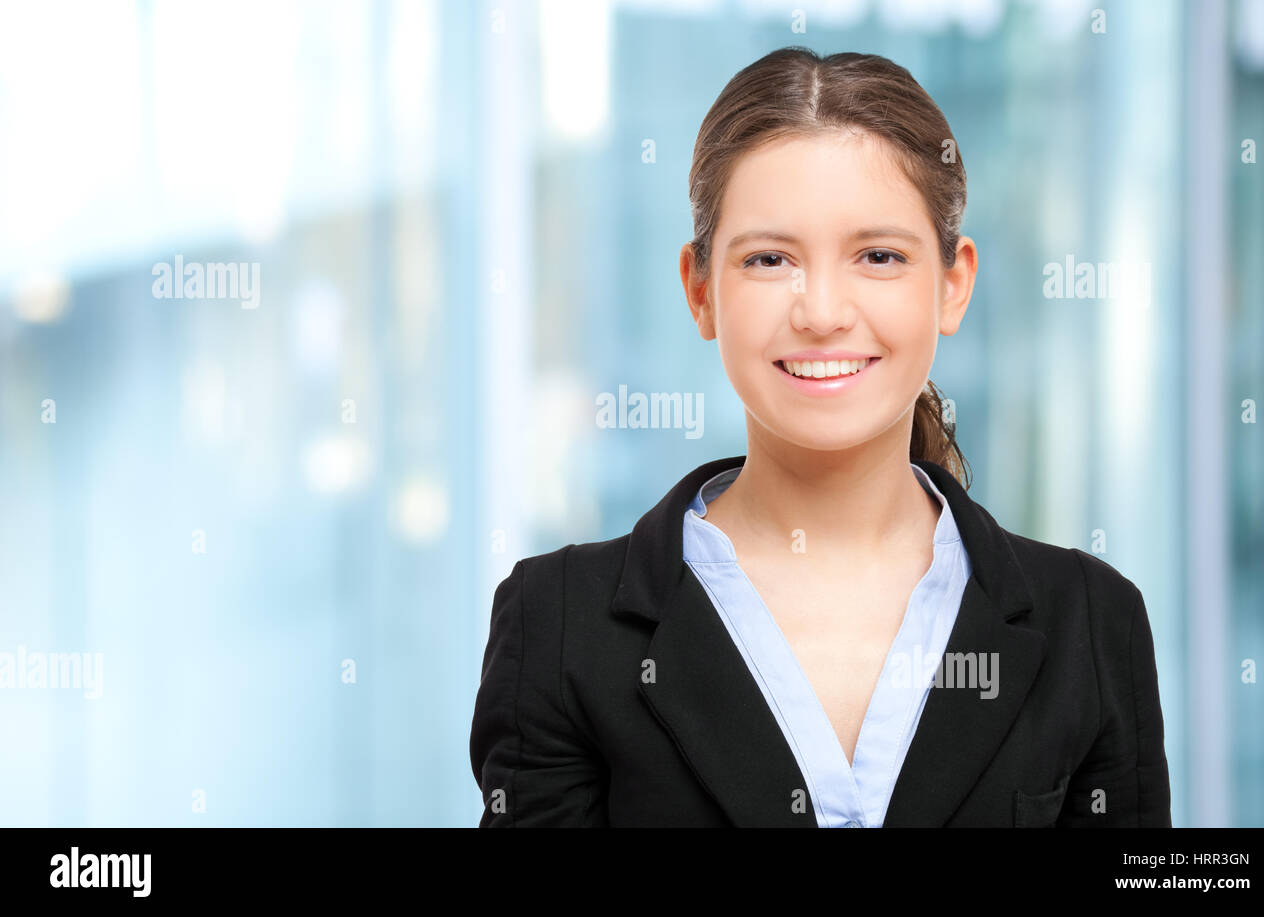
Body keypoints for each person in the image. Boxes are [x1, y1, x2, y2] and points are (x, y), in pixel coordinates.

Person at [469, 47, 1172, 827]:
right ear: (701, 291)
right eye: (770, 259)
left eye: (879, 256)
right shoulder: (560, 626)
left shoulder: (1092, 622)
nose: (822, 310)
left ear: (953, 283)